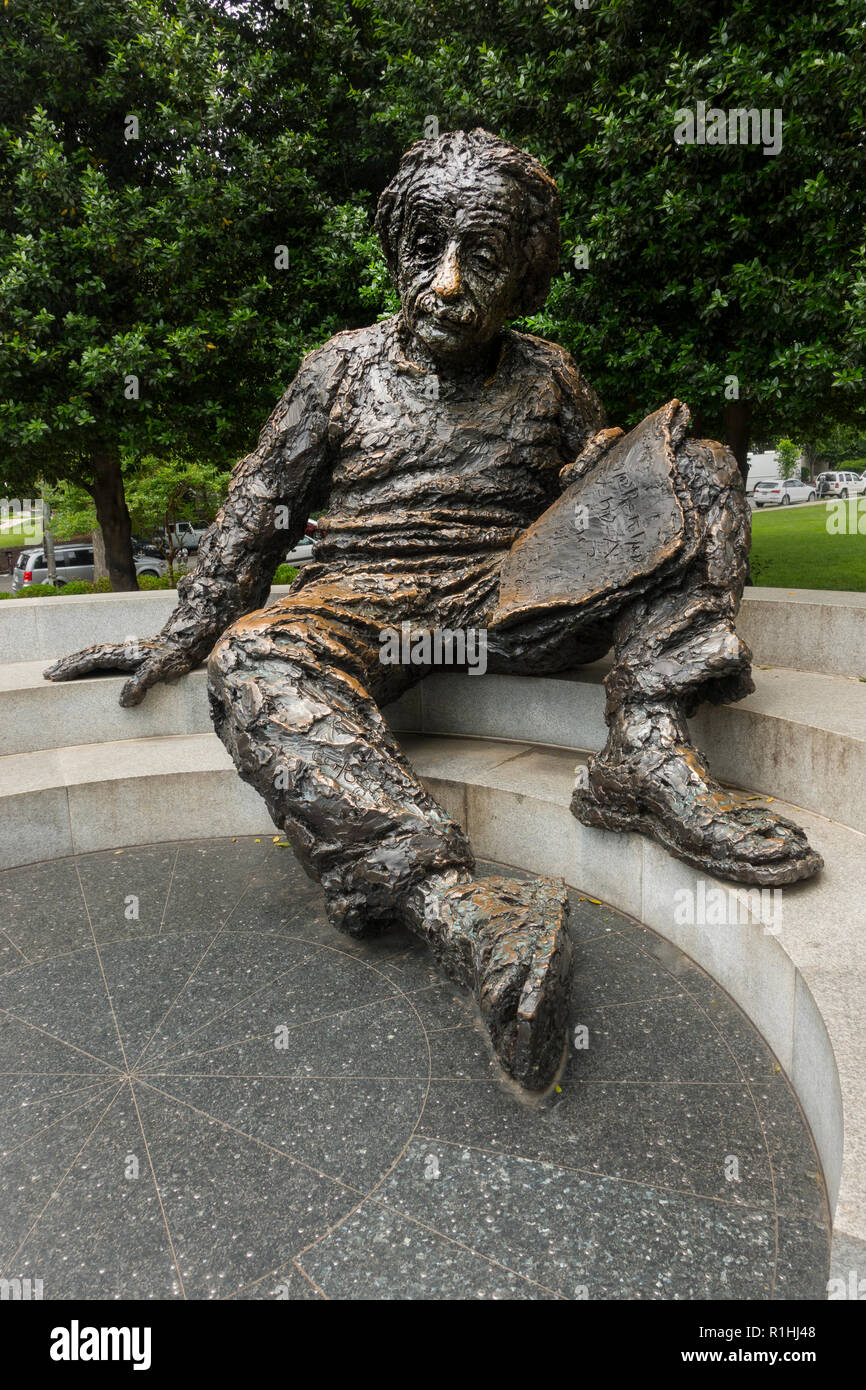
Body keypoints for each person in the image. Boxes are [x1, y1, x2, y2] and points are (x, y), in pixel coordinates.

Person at [45, 129, 821, 1088]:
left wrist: (613, 465)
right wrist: (185, 631)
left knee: (698, 468)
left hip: (509, 596)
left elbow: (609, 490)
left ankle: (646, 750)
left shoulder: (549, 371)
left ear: (527, 278)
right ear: (397, 251)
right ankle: (463, 911)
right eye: (426, 251)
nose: (445, 283)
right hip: (365, 601)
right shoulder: (339, 369)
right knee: (253, 659)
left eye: (482, 259)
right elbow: (257, 508)